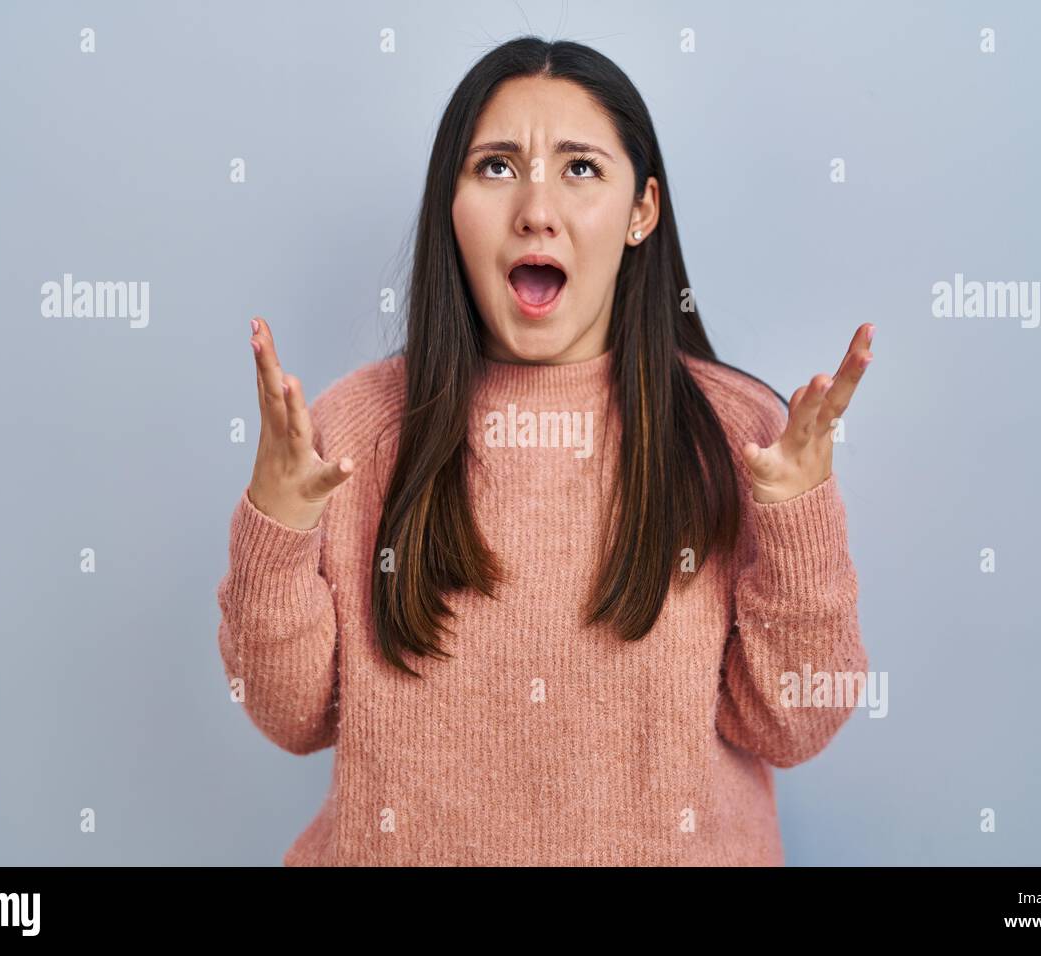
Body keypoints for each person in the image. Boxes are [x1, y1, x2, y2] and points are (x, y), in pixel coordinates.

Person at [216, 35, 874, 866]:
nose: (534, 207)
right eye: (495, 167)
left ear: (642, 211)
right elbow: (291, 718)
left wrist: (795, 528)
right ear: (448, 206)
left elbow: (795, 725)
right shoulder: (354, 433)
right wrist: (276, 528)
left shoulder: (737, 437)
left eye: (580, 168)